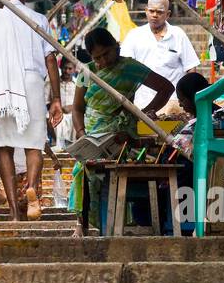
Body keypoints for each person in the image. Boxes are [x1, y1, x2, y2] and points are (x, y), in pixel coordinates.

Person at [0, 0, 63, 220]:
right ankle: (32, 186)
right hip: (32, 82)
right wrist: (56, 98)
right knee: (34, 144)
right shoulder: (39, 19)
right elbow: (50, 60)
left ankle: (14, 211)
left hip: (2, 87)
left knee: (4, 147)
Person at [68, 27, 173, 229]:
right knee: (82, 171)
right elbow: (78, 108)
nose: (104, 61)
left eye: (106, 53)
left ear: (116, 46)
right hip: (92, 134)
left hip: (122, 135)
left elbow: (166, 88)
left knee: (115, 173)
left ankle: (113, 223)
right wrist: (81, 134)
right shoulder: (87, 72)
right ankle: (83, 225)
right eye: (98, 58)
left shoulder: (130, 67)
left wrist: (142, 112)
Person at [121, 0, 200, 108]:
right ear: (146, 11)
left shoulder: (178, 35)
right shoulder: (134, 35)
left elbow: (191, 68)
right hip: (142, 103)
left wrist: (188, 97)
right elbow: (124, 69)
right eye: (152, 11)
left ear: (167, 14)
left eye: (159, 12)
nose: (155, 15)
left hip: (173, 103)